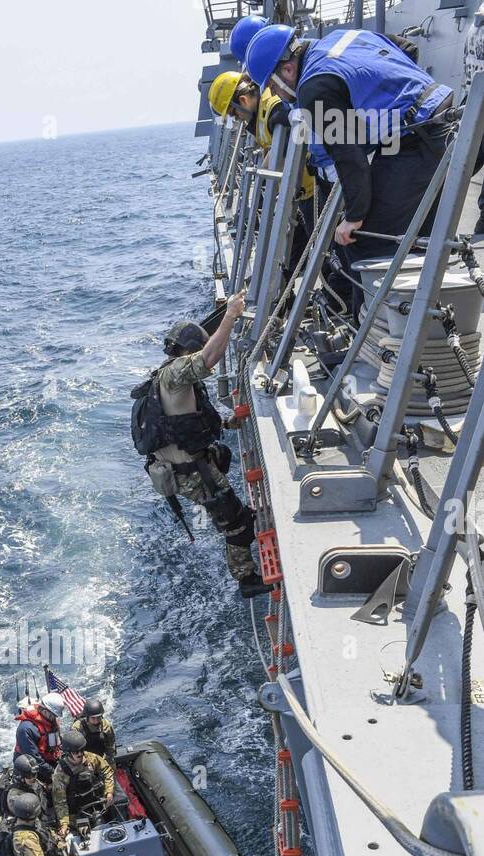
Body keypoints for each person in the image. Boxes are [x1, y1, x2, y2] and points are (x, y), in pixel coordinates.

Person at [244, 24, 479, 313]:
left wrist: (353, 219)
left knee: (361, 242)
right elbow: (407, 48)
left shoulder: (312, 89)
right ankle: (428, 315)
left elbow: (349, 158)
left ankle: (370, 332)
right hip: (445, 116)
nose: (277, 95)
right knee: (418, 236)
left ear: (287, 70)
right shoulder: (345, 37)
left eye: (272, 86)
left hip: (419, 144)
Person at [148, 301, 271, 599]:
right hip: (190, 472)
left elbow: (187, 424)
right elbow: (210, 357)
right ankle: (247, 580)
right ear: (188, 349)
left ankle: (245, 568)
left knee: (236, 517)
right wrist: (230, 316)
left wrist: (230, 423)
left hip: (190, 466)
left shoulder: (168, 380)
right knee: (236, 524)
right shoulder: (174, 374)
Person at [207, 69, 315, 286]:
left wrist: (262, 180)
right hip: (301, 192)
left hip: (315, 188)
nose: (236, 120)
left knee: (328, 247)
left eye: (234, 113)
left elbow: (288, 142)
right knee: (295, 252)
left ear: (244, 101)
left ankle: (342, 303)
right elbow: (270, 147)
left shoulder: (274, 108)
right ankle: (285, 292)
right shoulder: (260, 115)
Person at [51, 730, 116, 836]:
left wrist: (109, 792)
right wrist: (64, 824)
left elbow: (107, 771)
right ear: (68, 752)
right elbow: (60, 802)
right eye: (76, 752)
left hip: (98, 803)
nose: (80, 754)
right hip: (76, 812)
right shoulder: (60, 773)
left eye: (82, 750)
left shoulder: (91, 759)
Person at [14, 691, 66, 768]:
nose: (55, 718)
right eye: (53, 715)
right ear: (44, 710)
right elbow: (34, 759)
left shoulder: (51, 722)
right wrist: (52, 773)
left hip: (49, 759)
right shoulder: (26, 729)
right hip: (31, 767)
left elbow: (58, 743)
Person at [0, 754, 50, 820]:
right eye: (29, 775)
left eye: (34, 774)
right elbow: (26, 819)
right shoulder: (15, 796)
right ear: (20, 777)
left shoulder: (30, 782)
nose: (34, 778)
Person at [73, 698, 116, 763]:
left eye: (98, 717)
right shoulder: (78, 727)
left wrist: (109, 757)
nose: (96, 721)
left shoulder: (105, 725)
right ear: (87, 717)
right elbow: (74, 747)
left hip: (102, 757)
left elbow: (111, 742)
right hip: (84, 759)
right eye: (93, 718)